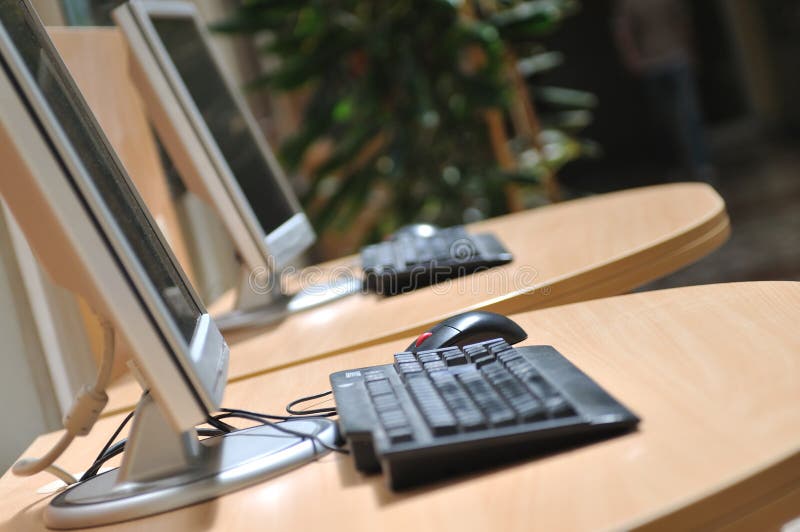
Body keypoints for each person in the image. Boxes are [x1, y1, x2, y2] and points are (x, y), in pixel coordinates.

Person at [614, 0, 715, 183]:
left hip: (675, 59)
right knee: (666, 120)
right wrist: (633, 59)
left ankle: (700, 165)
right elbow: (624, 30)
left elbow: (683, 22)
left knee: (688, 116)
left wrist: (690, 51)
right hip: (654, 64)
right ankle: (680, 167)